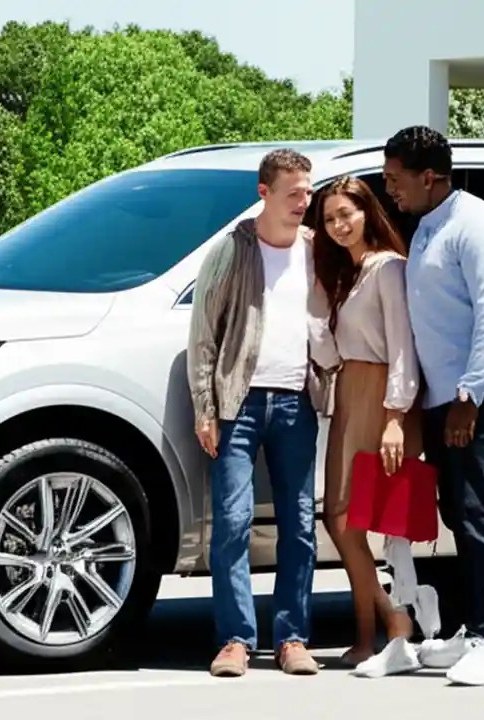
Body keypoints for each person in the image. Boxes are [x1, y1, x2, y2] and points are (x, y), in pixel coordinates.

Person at [381, 125, 484, 686]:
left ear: (429, 177)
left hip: (481, 398)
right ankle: (470, 632)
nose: (391, 190)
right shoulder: (425, 227)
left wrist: (470, 395)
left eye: (397, 180)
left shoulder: (478, 225)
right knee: (458, 516)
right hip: (443, 401)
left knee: (482, 515)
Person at [187, 148, 326, 678]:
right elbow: (204, 336)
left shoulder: (316, 251)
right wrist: (205, 408)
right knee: (232, 523)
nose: (303, 202)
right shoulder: (231, 251)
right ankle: (236, 640)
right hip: (237, 404)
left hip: (296, 402)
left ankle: (292, 637)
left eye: (308, 191)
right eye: (293, 193)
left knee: (299, 526)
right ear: (264, 193)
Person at [306, 176, 441, 678]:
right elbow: (329, 348)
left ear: (368, 211)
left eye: (347, 214)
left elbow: (404, 346)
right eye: (329, 219)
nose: (339, 225)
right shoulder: (346, 272)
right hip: (349, 393)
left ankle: (392, 626)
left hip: (382, 396)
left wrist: (395, 418)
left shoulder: (388, 269)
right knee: (341, 519)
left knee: (362, 518)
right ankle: (374, 631)